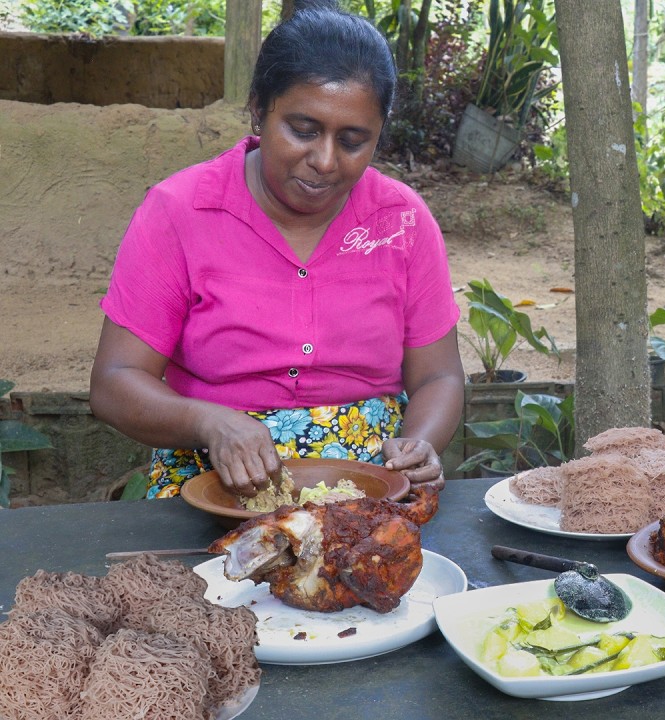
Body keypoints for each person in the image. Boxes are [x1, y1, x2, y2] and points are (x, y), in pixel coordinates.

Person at [89, 0, 464, 499]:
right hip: (209, 481)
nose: (325, 161)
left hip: (371, 484)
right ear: (259, 108)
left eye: (353, 140)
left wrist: (417, 446)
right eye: (303, 131)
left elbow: (439, 376)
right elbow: (115, 381)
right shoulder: (178, 212)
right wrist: (210, 423)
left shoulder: (401, 221)